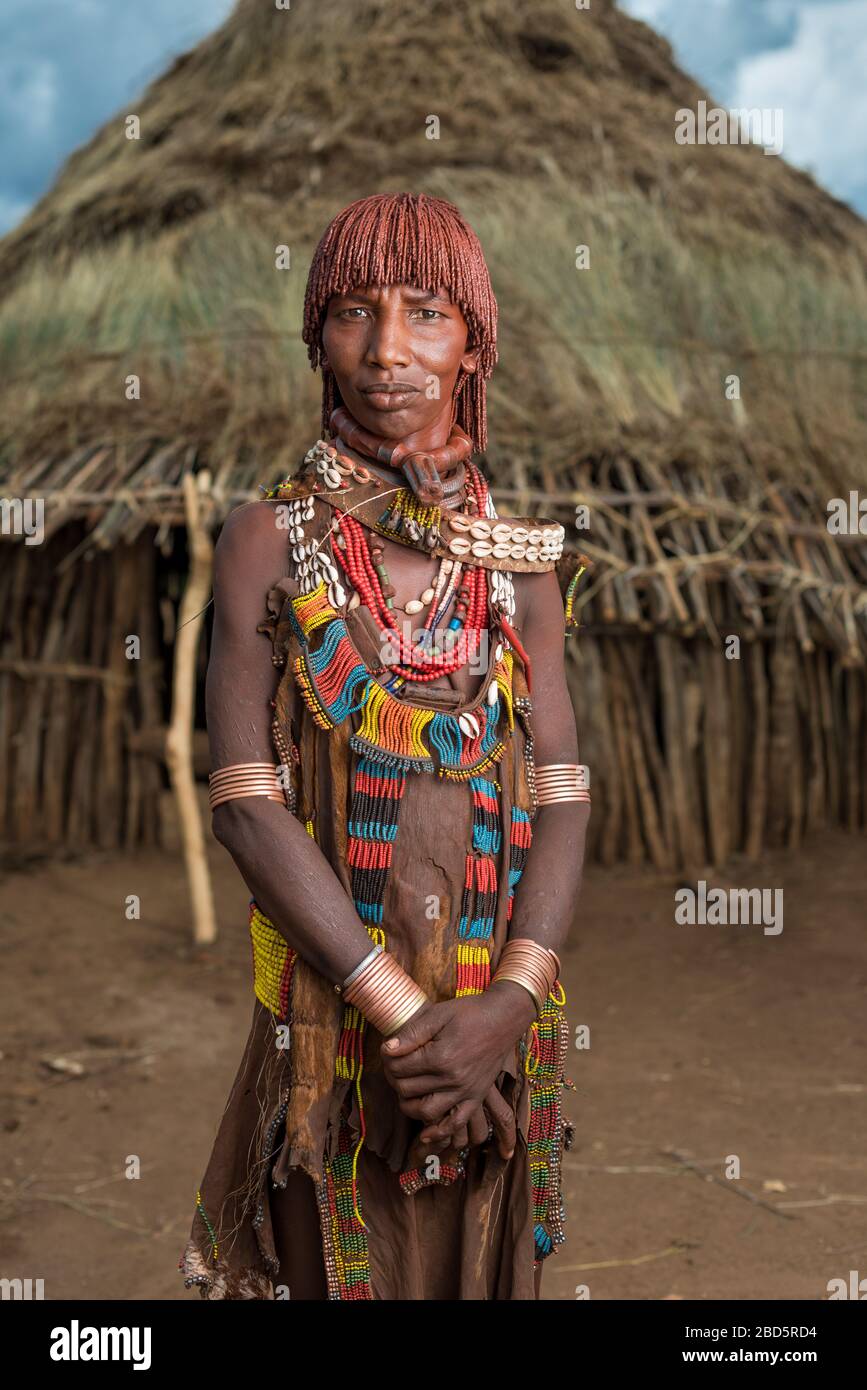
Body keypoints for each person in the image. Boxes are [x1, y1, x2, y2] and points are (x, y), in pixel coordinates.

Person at [179, 191, 590, 1301]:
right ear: (317, 336)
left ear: (474, 347)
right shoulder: (270, 542)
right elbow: (245, 803)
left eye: (427, 314)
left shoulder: (520, 570)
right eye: (354, 312)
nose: (387, 350)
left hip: (495, 1032)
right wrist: (410, 1025)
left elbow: (562, 795)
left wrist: (505, 1008)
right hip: (339, 1030)